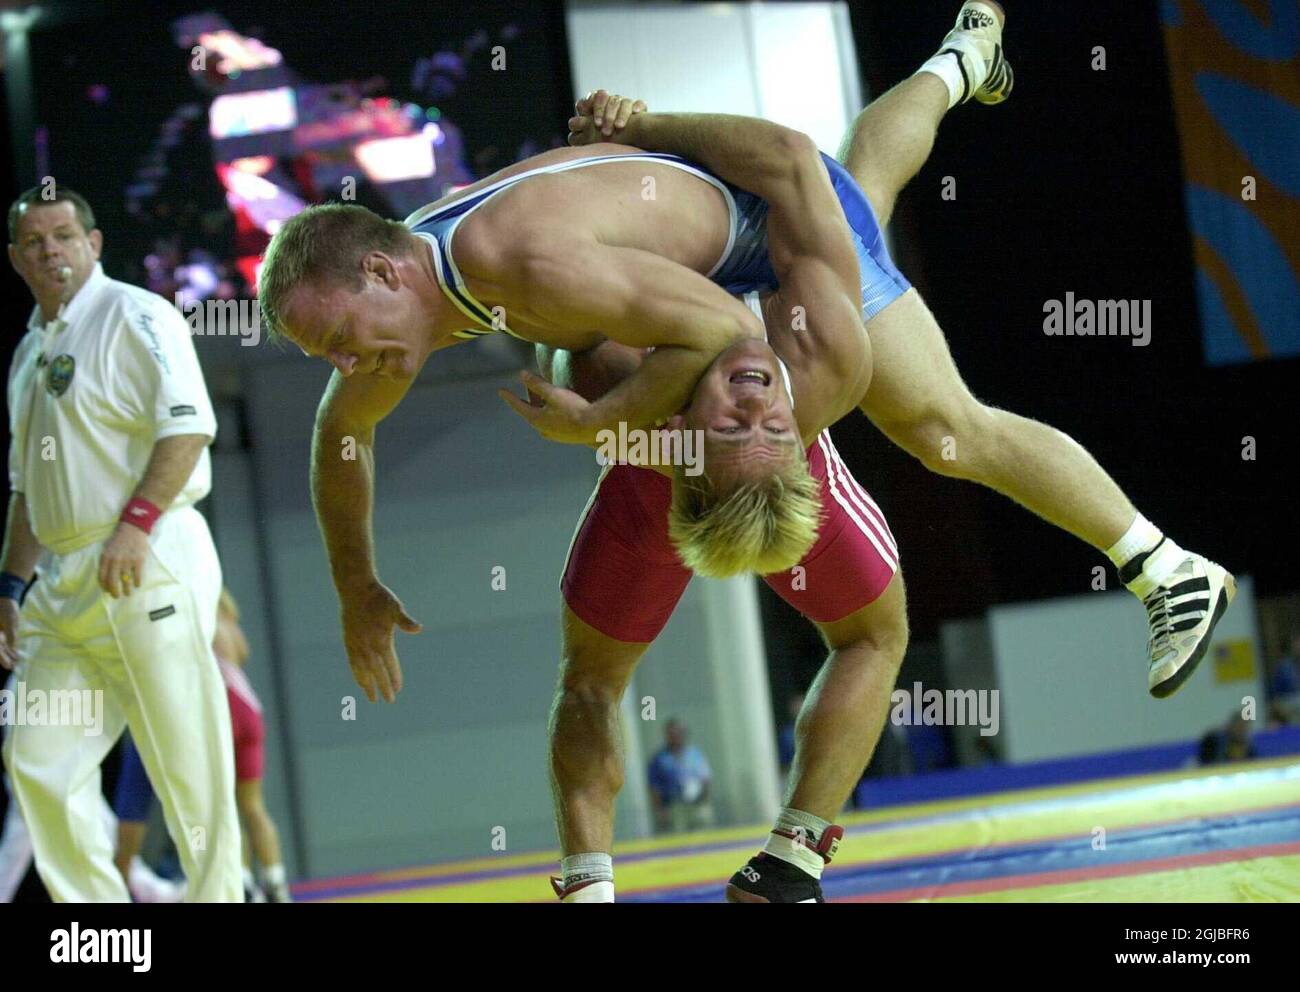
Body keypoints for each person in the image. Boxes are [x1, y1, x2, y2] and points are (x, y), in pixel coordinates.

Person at [528, 4, 1231, 901]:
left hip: (742, 212)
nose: (753, 409)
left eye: (754, 421)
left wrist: (642, 126)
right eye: (766, 427)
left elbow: (786, 162)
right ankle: (958, 62)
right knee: (863, 192)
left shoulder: (747, 351)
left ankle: (1161, 563)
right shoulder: (784, 383)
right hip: (716, 292)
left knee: (946, 430)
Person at [1, 185, 241, 901]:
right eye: (36, 242)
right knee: (36, 759)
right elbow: (24, 491)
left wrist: (135, 525)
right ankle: (103, 925)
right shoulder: (27, 354)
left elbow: (190, 426)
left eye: (65, 236)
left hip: (149, 558)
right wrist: (10, 588)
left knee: (186, 761)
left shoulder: (137, 314)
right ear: (16, 259)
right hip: (62, 588)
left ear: (94, 244)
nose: (52, 251)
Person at [111, 588, 291, 902]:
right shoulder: (229, 622)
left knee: (212, 807)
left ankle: (240, 884)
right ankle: (275, 884)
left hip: (213, 706)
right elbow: (242, 655)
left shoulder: (183, 607)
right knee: (250, 806)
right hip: (247, 706)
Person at [647, 719, 714, 834]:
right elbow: (654, 787)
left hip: (697, 804)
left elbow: (706, 778)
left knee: (703, 835)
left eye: (678, 733)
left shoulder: (695, 754)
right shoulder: (659, 759)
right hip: (674, 807)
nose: (675, 736)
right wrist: (660, 810)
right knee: (679, 836)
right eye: (671, 734)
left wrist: (705, 803)